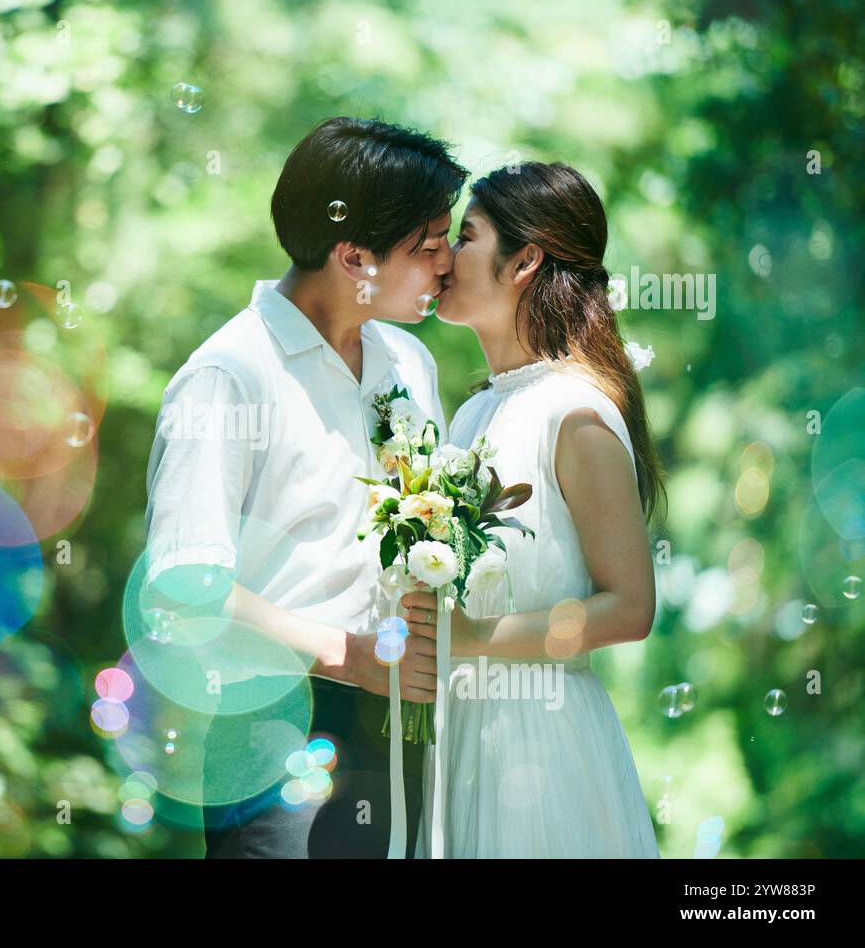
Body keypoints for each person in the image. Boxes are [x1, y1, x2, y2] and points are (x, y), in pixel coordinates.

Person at [142, 116, 468, 857]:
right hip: (272, 734)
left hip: (404, 729)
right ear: (353, 255)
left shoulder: (410, 364)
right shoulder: (230, 375)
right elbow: (183, 587)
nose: (447, 265)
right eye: (426, 247)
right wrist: (349, 656)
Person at [403, 161, 662, 857]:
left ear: (525, 261)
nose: (444, 256)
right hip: (464, 738)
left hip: (542, 750)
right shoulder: (473, 412)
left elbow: (631, 607)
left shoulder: (572, 411)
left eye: (467, 235)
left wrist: (473, 638)